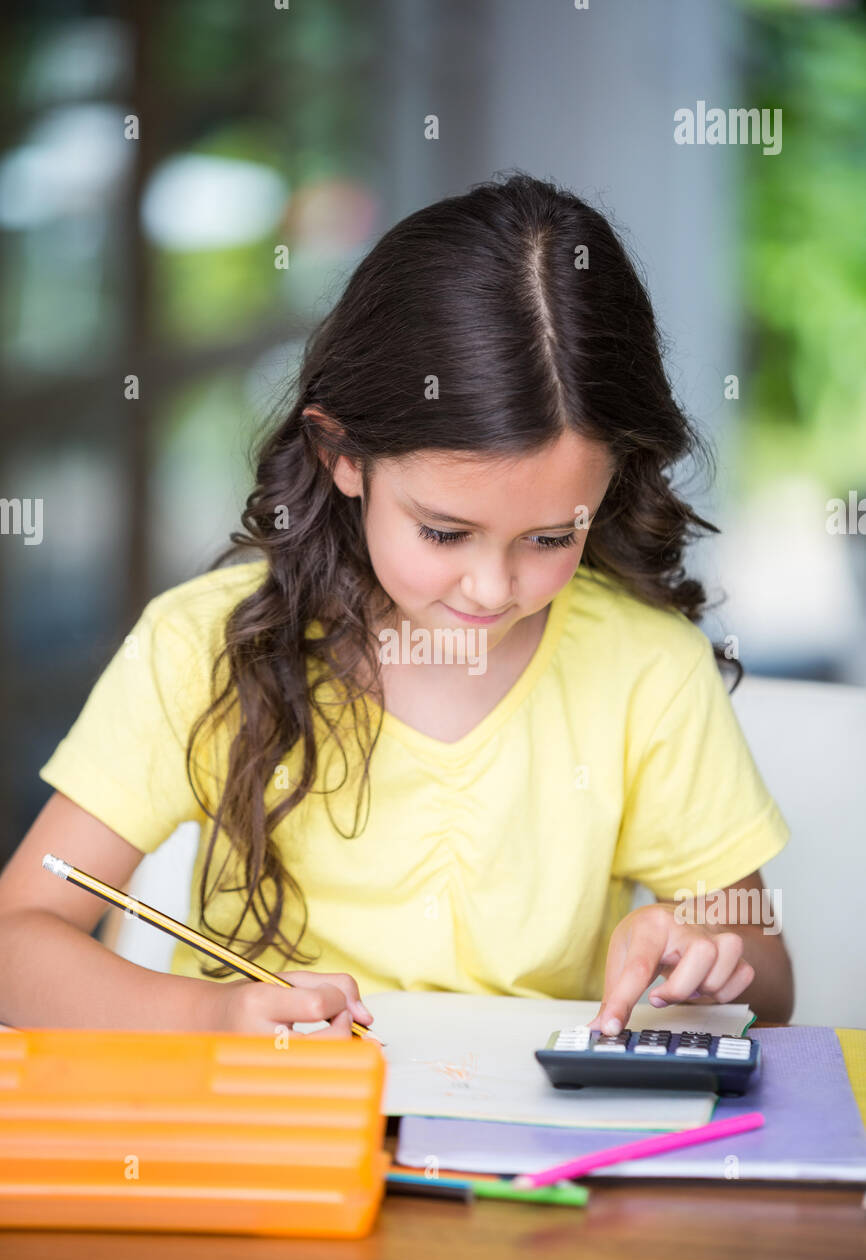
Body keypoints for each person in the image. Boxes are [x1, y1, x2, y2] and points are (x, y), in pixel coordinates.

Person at [0, 172, 793, 1037]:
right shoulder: (204, 643)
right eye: (445, 534)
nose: (493, 589)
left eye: (552, 537)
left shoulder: (647, 670)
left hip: (531, 1167)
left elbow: (772, 984)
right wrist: (213, 1015)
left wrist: (704, 950)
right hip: (270, 1137)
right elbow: (17, 940)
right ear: (341, 454)